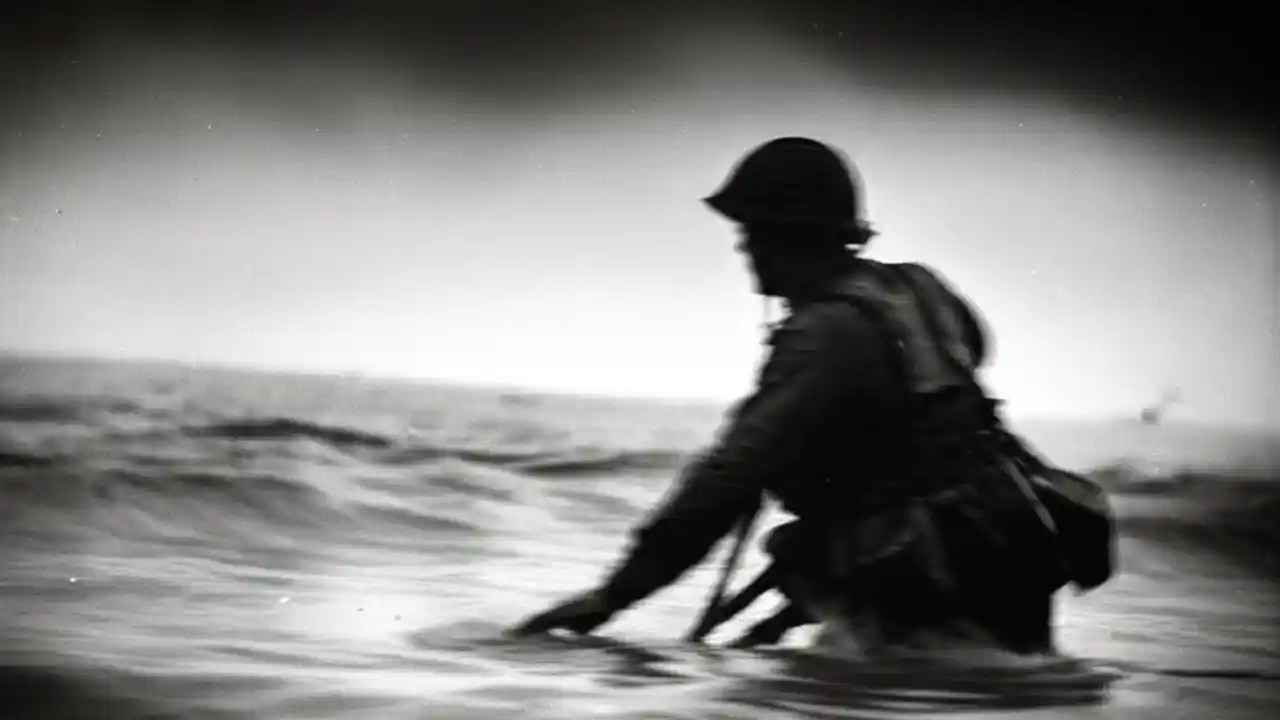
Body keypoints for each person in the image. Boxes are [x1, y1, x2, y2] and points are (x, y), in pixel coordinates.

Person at [511, 137, 1100, 657]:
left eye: (750, 233)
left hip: (925, 579)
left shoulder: (822, 334)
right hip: (1007, 541)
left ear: (785, 236)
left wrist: (613, 596)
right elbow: (965, 362)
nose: (743, 250)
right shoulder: (920, 287)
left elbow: (730, 476)